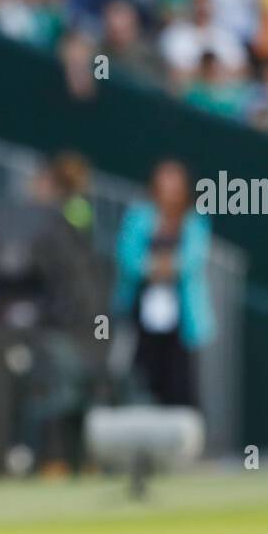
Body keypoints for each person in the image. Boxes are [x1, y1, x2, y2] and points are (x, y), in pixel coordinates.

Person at [112, 159, 213, 407]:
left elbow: (192, 258)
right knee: (142, 374)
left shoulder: (193, 220)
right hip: (141, 311)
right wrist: (153, 268)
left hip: (180, 316)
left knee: (180, 378)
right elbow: (127, 254)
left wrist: (167, 267)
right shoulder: (139, 216)